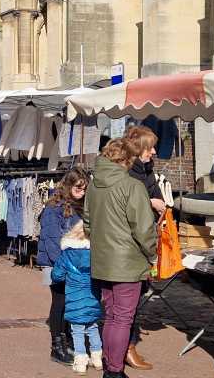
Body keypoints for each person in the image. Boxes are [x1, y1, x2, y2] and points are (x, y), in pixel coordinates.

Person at [84, 138, 157, 378]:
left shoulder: (94, 185)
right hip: (126, 261)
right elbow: (144, 228)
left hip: (103, 259)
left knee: (112, 316)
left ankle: (111, 366)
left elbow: (87, 224)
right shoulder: (131, 185)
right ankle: (114, 370)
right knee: (122, 318)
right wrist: (152, 254)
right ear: (127, 159)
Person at [36, 167, 89, 366]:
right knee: (60, 302)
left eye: (84, 189)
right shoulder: (53, 207)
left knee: (70, 303)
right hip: (56, 264)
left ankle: (67, 340)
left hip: (75, 264)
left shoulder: (80, 206)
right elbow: (51, 240)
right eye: (78, 188)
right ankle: (56, 347)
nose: (82, 193)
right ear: (69, 185)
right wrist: (64, 266)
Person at [122, 125, 165, 370]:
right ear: (139, 149)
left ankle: (126, 345)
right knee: (129, 301)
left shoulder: (146, 170)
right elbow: (124, 202)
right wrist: (149, 201)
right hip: (130, 245)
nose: (155, 152)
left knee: (137, 297)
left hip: (144, 242)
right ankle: (126, 348)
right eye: (150, 147)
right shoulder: (128, 173)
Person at [51, 221, 103, 374]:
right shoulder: (97, 253)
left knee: (77, 330)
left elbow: (57, 275)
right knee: (93, 327)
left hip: (74, 299)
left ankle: (80, 361)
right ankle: (97, 358)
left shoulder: (67, 254)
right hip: (93, 297)